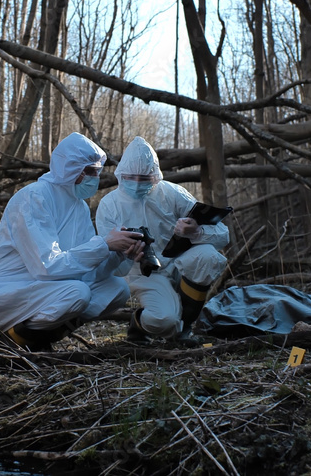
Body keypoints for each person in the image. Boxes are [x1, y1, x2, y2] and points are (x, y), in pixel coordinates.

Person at [0, 132, 145, 351]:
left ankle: (41, 337)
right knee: (78, 293)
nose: (95, 178)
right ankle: (14, 340)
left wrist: (119, 253)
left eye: (97, 171)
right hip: (4, 294)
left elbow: (84, 270)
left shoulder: (78, 205)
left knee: (117, 288)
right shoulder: (34, 197)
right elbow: (48, 266)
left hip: (45, 289)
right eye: (90, 171)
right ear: (70, 168)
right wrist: (104, 244)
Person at [96, 136, 229, 345]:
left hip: (178, 262)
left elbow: (223, 235)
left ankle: (185, 330)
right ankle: (138, 324)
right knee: (164, 320)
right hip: (144, 273)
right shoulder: (110, 205)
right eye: (132, 178)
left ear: (155, 176)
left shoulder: (172, 193)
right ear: (121, 175)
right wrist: (126, 256)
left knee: (208, 257)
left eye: (145, 178)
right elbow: (109, 264)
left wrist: (196, 231)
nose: (138, 184)